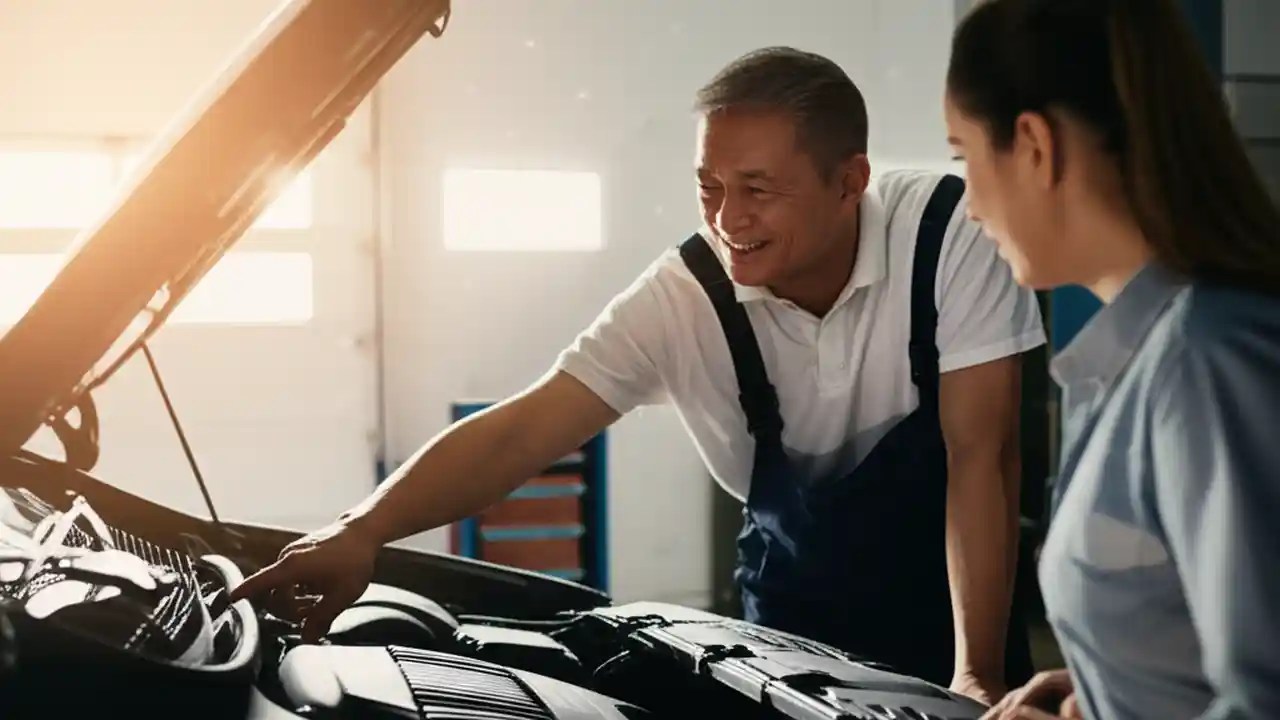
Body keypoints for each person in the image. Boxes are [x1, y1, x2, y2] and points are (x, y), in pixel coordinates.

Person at [231, 46, 1046, 701]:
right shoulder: (685, 296)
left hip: (955, 615)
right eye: (709, 188)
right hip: (793, 632)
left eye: (758, 190)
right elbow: (524, 429)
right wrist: (363, 530)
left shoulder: (950, 235)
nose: (729, 220)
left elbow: (984, 458)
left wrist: (976, 675)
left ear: (850, 182)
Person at [942, 0, 1280, 718]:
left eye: (963, 156)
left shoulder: (1209, 362)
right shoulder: (1128, 360)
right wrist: (1102, 693)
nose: (968, 203)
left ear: (1034, 145)